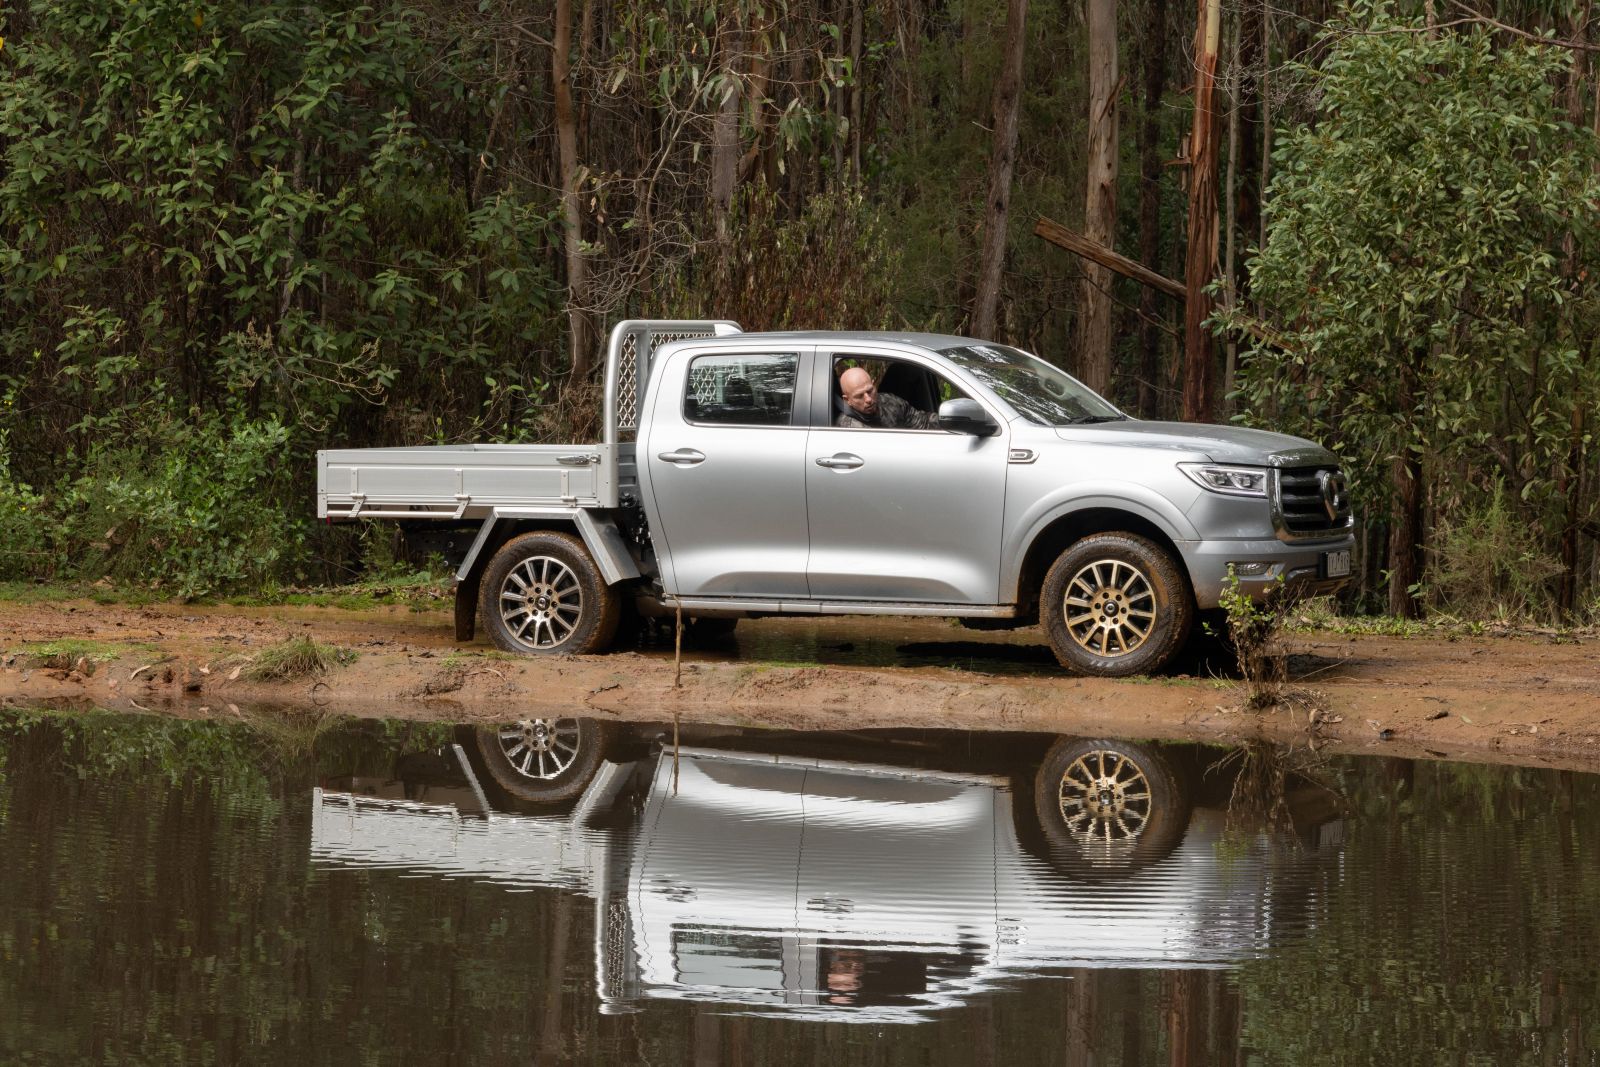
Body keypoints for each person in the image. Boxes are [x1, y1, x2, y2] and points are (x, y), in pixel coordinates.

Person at [836, 366, 937, 429]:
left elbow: (922, 422)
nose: (868, 399)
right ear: (847, 400)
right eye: (859, 396)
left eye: (870, 391)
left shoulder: (888, 401)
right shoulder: (848, 427)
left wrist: (948, 420)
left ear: (874, 385)